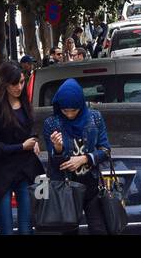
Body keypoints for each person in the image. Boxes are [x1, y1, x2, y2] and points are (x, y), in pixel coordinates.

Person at [43, 79, 112, 235]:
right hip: (66, 188)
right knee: (69, 231)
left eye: (74, 110)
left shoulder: (95, 118)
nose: (69, 114)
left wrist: (85, 158)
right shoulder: (51, 123)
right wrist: (58, 149)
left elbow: (106, 150)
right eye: (65, 110)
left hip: (91, 186)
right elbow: (55, 163)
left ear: (81, 105)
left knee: (98, 229)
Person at [0, 62, 42, 235]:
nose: (19, 87)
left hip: (25, 171)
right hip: (2, 173)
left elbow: (31, 130)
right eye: (14, 84)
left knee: (27, 227)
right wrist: (21, 146)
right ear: (5, 84)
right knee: (6, 229)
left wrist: (34, 141)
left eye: (22, 82)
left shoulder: (25, 104)